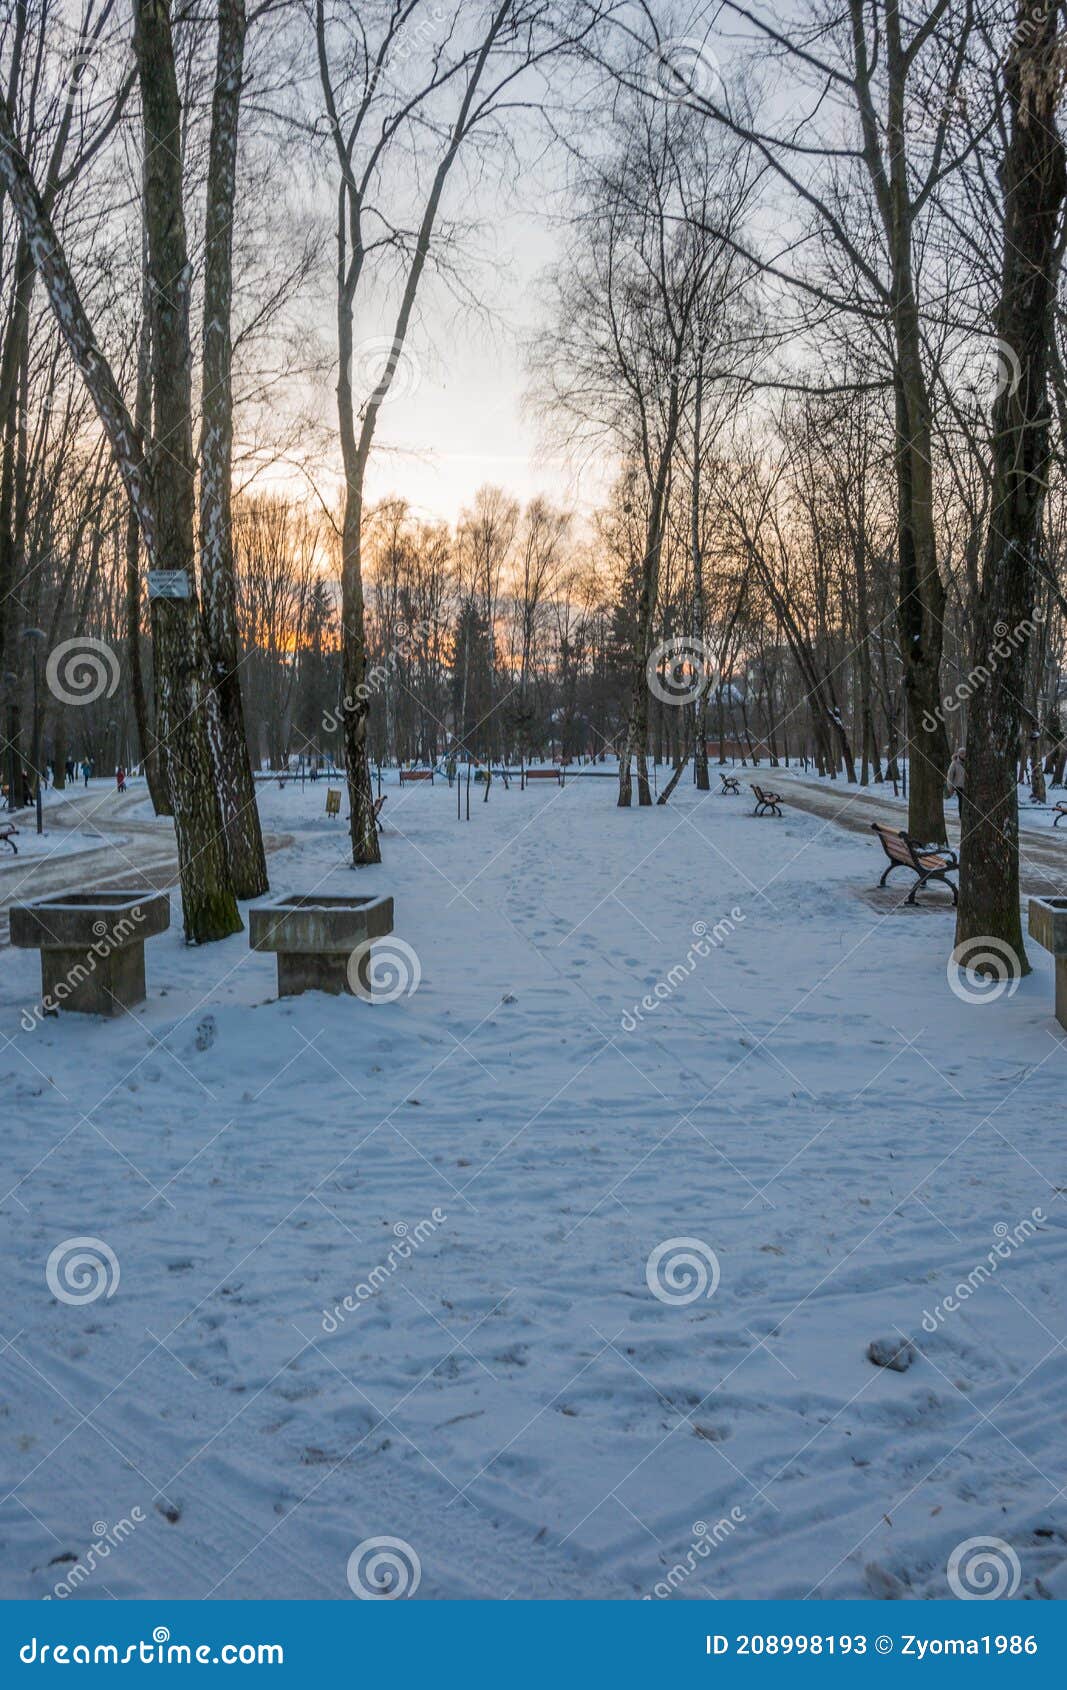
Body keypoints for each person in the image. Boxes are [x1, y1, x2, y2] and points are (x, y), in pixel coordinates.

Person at [946, 747, 966, 821]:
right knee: (961, 801)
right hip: (958, 786)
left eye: (964, 753)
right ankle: (961, 817)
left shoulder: (967, 763)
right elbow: (950, 775)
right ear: (958, 754)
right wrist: (950, 787)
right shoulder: (954, 763)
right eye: (961, 753)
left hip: (966, 786)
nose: (963, 755)